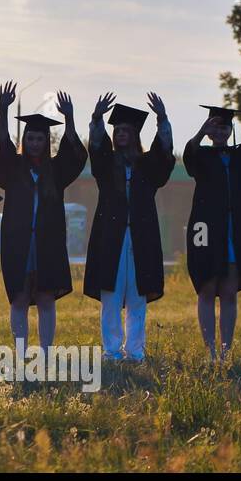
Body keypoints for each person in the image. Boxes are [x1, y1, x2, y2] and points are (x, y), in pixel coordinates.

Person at [0, 82, 87, 355]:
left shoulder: (55, 171)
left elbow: (76, 155)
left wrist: (69, 118)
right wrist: (2, 109)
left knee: (46, 297)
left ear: (47, 141)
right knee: (19, 297)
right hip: (17, 240)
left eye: (40, 139)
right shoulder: (14, 169)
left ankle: (45, 353)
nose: (35, 143)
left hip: (48, 242)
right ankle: (20, 353)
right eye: (31, 138)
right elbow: (2, 146)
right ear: (25, 140)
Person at [82, 93, 175, 362]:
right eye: (118, 130)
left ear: (135, 134)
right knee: (110, 293)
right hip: (110, 235)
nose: (121, 133)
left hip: (141, 234)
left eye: (126, 130)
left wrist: (162, 120)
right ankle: (112, 350)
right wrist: (97, 118)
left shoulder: (147, 165)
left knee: (137, 294)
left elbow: (164, 153)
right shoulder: (106, 163)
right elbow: (96, 146)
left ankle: (135, 351)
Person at [184, 85, 241, 361]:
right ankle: (210, 350)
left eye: (225, 128)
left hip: (236, 233)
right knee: (207, 290)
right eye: (216, 128)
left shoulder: (240, 157)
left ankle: (225, 352)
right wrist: (200, 132)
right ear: (209, 132)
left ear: (230, 131)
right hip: (207, 233)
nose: (221, 132)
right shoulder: (202, 157)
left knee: (229, 292)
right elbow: (188, 156)